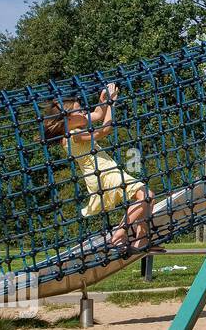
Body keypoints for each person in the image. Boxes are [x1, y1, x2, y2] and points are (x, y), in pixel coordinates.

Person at [42, 83, 155, 254]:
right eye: (79, 111)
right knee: (146, 195)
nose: (83, 112)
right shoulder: (73, 135)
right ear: (68, 119)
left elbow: (98, 114)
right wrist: (110, 104)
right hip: (103, 174)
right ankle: (120, 233)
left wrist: (103, 101)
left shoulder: (75, 127)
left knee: (146, 199)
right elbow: (104, 130)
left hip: (105, 172)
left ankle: (141, 240)